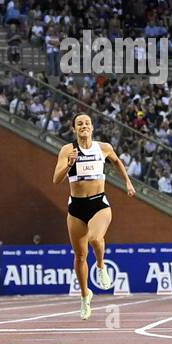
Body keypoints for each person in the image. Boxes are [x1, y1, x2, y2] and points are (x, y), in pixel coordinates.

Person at [52, 114, 135, 320]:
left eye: (87, 123)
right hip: (76, 207)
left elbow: (117, 162)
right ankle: (85, 296)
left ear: (92, 127)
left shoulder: (103, 148)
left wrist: (128, 182)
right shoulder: (67, 150)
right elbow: (56, 180)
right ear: (74, 129)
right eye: (79, 123)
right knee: (80, 256)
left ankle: (100, 266)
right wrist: (69, 164)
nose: (84, 126)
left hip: (99, 203)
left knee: (95, 238)